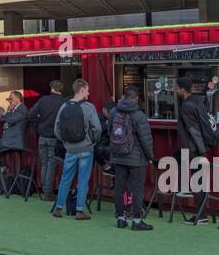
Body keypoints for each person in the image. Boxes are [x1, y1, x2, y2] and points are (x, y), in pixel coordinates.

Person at [50, 79, 103, 221]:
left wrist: (66, 142)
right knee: (83, 180)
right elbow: (97, 128)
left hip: (70, 149)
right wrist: (93, 141)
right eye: (87, 90)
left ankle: (59, 208)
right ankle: (79, 211)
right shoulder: (89, 107)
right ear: (82, 90)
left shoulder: (64, 107)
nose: (89, 92)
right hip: (86, 148)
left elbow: (57, 129)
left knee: (65, 178)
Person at [108, 87, 155, 231]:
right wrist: (150, 157)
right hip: (136, 158)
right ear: (135, 98)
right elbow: (146, 139)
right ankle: (136, 220)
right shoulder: (139, 115)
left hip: (118, 157)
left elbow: (110, 132)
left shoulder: (114, 112)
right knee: (137, 189)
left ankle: (121, 219)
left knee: (119, 188)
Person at [175, 77, 217, 224]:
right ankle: (202, 213)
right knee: (199, 180)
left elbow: (193, 131)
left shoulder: (186, 107)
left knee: (197, 180)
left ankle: (201, 215)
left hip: (193, 149)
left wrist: (201, 151)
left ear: (182, 89)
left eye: (177, 88)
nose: (175, 90)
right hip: (200, 147)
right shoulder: (199, 101)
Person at [28, 80, 67, 201]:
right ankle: (48, 192)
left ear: (52, 88)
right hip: (55, 137)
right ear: (61, 89)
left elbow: (31, 115)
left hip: (42, 135)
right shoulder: (64, 102)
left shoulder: (43, 100)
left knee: (44, 163)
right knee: (51, 163)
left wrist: (40, 121)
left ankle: (45, 190)